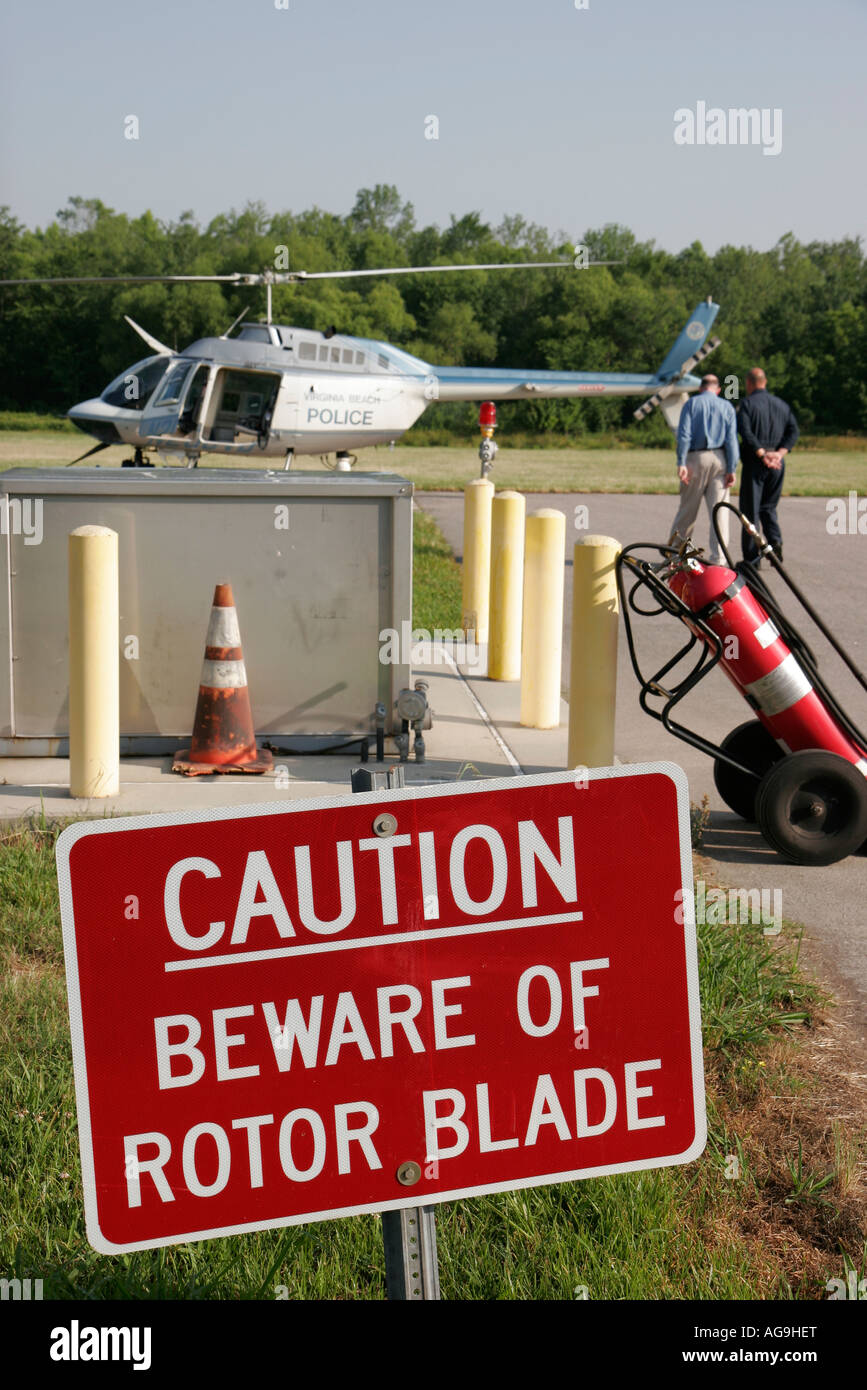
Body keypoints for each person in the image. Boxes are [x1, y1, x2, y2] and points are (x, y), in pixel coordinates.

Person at [668, 373, 739, 565]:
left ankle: (676, 553)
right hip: (720, 458)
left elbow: (684, 435)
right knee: (719, 512)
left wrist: (681, 462)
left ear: (701, 388)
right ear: (717, 389)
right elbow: (732, 440)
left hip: (695, 458)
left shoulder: (691, 404)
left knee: (688, 509)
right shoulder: (727, 407)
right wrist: (732, 467)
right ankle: (719, 558)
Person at [737, 367, 799, 566]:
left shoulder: (747, 404)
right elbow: (793, 431)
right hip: (777, 464)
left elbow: (745, 432)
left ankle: (752, 558)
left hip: (756, 463)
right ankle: (775, 543)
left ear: (750, 383)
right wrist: (780, 453)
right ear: (765, 382)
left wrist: (762, 453)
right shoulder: (782, 405)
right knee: (769, 507)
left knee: (750, 512)